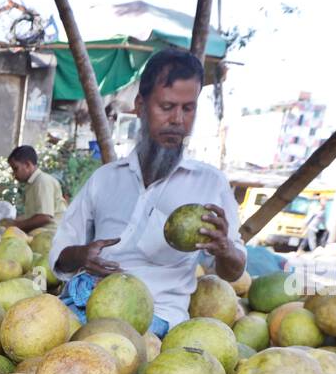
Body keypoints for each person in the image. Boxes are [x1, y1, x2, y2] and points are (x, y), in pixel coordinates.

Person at [49, 49, 246, 336]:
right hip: (84, 301)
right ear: (140, 105)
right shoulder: (104, 179)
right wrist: (82, 255)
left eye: (188, 108)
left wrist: (226, 250)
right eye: (166, 107)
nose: (178, 120)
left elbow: (233, 271)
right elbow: (60, 255)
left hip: (153, 321)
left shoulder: (210, 184)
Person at [1, 145, 65, 232]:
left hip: (50, 235)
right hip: (40, 233)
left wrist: (16, 225)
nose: (14, 174)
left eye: (16, 169)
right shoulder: (32, 183)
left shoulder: (42, 181)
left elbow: (44, 217)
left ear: (27, 165)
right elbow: (34, 215)